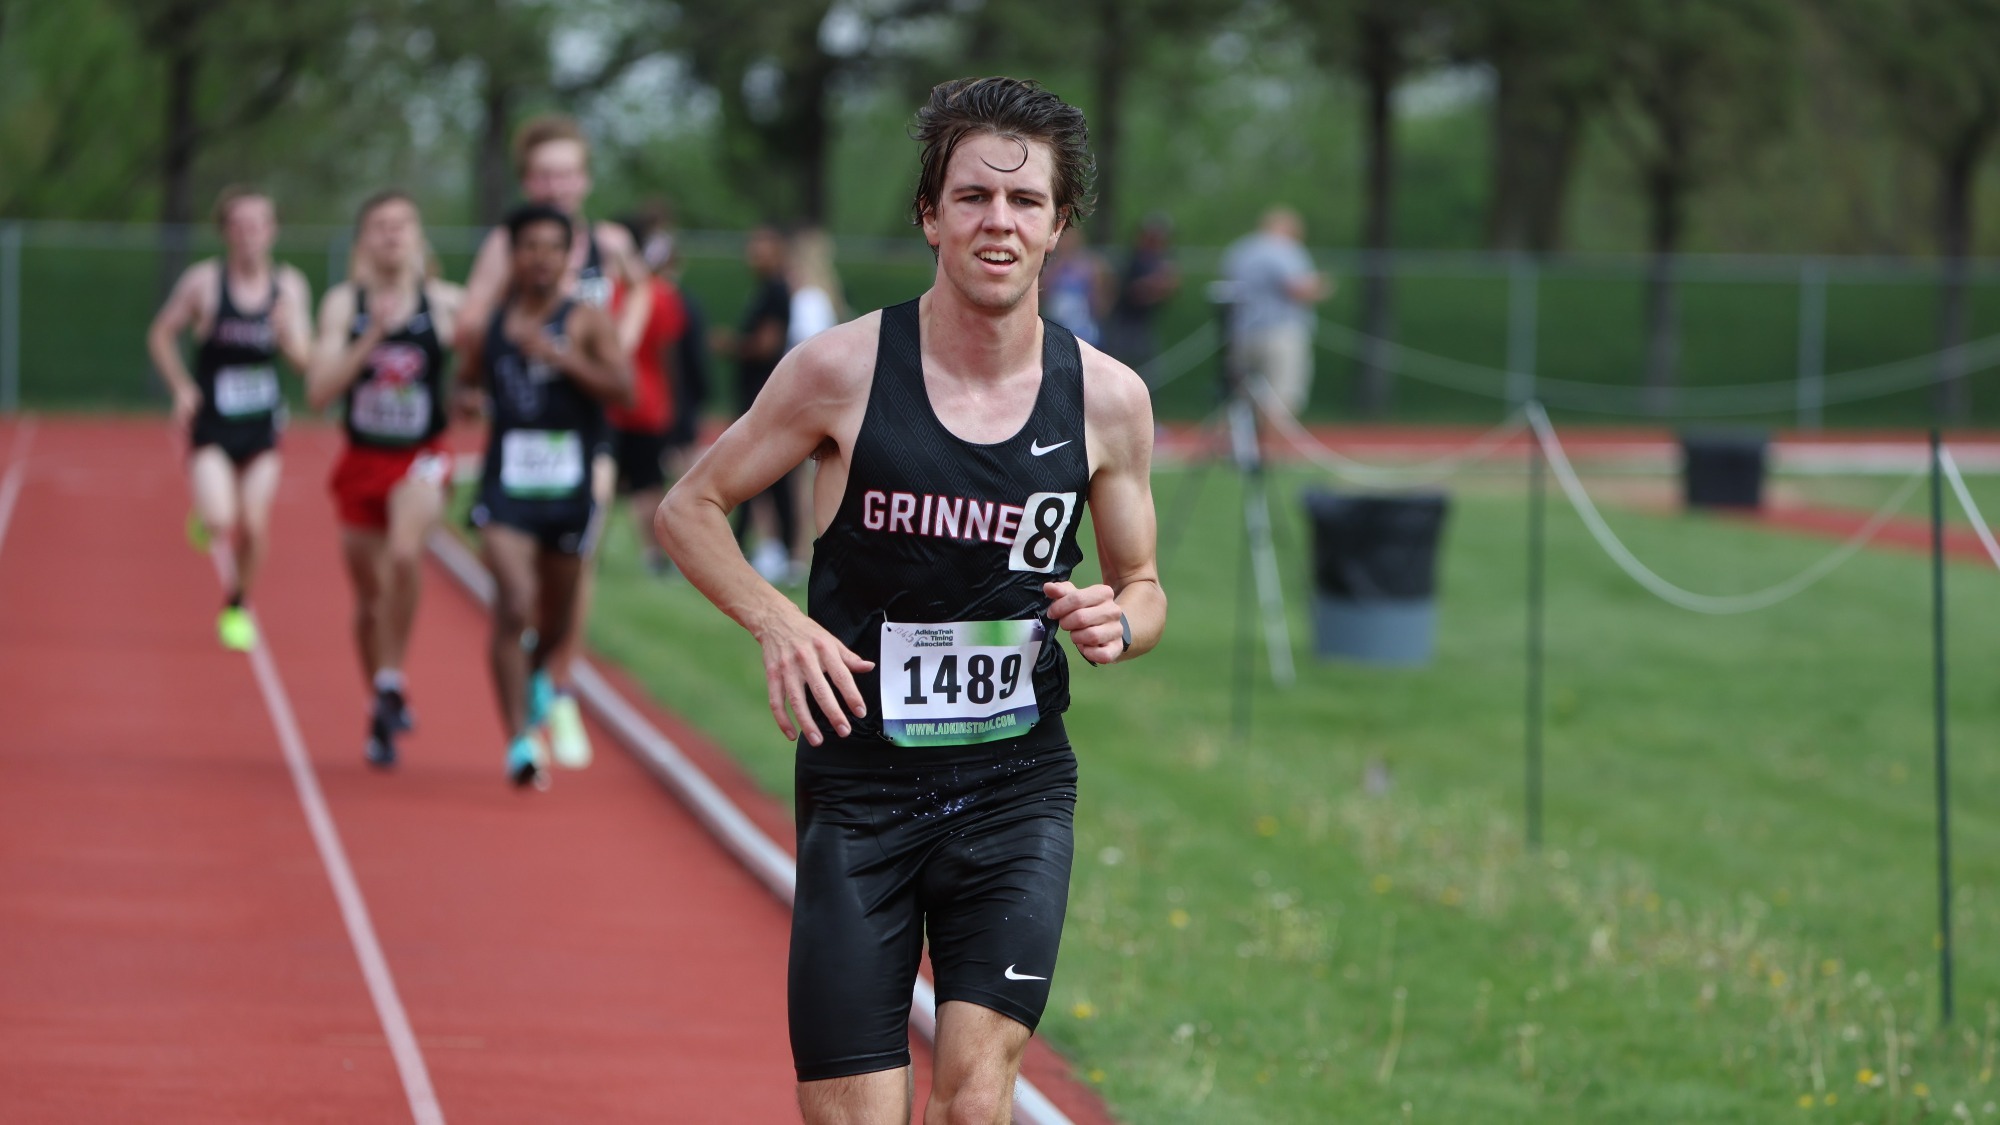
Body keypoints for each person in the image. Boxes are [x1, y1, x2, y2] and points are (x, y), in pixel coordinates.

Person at [657, 76, 1165, 1125]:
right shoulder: (840, 370)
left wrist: (1125, 620)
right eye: (974, 196)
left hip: (1016, 786)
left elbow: (1142, 587)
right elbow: (690, 508)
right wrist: (776, 618)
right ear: (930, 214)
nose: (998, 222)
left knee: (977, 1104)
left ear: (1058, 227)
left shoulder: (1108, 399)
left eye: (1025, 203)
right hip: (861, 789)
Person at [458, 114, 650, 768]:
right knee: (524, 588)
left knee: (577, 556)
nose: (556, 183)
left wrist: (609, 339)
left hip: (586, 423)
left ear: (584, 178)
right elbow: (471, 320)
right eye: (544, 174)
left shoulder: (610, 241)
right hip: (524, 427)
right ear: (527, 180)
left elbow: (647, 291)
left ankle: (555, 674)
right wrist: (490, 361)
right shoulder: (509, 243)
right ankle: (547, 687)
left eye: (566, 172)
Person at [306, 190, 465, 768]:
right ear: (363, 240)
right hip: (361, 461)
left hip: (421, 455)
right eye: (380, 226)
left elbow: (480, 358)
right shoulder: (343, 306)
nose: (392, 235)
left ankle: (393, 677)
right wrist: (370, 336)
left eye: (402, 225)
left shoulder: (445, 302)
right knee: (370, 600)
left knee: (404, 554)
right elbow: (320, 392)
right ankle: (380, 696)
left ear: (418, 236)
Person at [146, 186, 313, 651]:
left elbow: (306, 362)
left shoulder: (290, 286)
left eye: (258, 224)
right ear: (224, 232)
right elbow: (161, 334)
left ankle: (237, 604)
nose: (249, 235)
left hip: (262, 426)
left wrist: (286, 338)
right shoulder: (204, 282)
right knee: (223, 518)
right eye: (238, 226)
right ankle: (209, 518)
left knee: (255, 525)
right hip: (213, 425)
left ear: (273, 230)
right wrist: (182, 387)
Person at [605, 216, 690, 577]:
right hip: (648, 400)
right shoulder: (664, 297)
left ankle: (586, 548)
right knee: (647, 482)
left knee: (606, 478)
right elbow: (668, 353)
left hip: (611, 400)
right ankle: (653, 556)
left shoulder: (613, 292)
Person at [714, 225, 795, 584]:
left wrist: (731, 345)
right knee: (748, 471)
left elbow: (767, 344)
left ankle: (788, 553)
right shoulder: (764, 290)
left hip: (765, 396)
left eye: (760, 248)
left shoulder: (776, 291)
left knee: (772, 475)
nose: (753, 255)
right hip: (753, 394)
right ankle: (743, 544)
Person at [1220, 206, 1331, 415]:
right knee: (1281, 397)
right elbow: (1296, 287)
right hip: (1281, 332)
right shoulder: (1284, 249)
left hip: (1240, 332)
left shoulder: (1240, 250)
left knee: (1242, 398)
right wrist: (1320, 286)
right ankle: (1273, 446)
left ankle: (1245, 445)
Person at [1102, 212, 1181, 369]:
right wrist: (1156, 285)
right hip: (1123, 326)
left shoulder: (1156, 260)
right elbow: (1133, 291)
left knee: (1147, 373)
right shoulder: (1132, 260)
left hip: (1143, 325)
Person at [1040, 223, 1105, 347]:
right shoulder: (1050, 266)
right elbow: (1041, 293)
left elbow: (1099, 298)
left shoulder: (1089, 265)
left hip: (1082, 325)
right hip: (1055, 323)